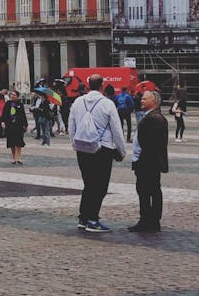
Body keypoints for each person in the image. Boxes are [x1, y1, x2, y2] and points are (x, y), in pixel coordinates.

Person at [68, 74, 127, 233]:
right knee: (100, 185)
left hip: (82, 148)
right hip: (103, 148)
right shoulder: (107, 104)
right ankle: (93, 219)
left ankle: (83, 217)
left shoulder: (77, 102)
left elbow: (71, 125)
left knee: (88, 184)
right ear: (102, 86)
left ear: (88, 86)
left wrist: (74, 144)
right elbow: (117, 129)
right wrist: (121, 151)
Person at [129, 89, 169, 233]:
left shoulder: (155, 118)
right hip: (147, 161)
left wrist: (140, 159)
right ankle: (149, 220)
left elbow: (150, 143)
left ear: (154, 101)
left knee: (148, 191)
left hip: (148, 162)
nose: (141, 100)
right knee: (148, 191)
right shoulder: (152, 116)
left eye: (145, 99)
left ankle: (149, 221)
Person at [3, 90, 28, 164]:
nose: (12, 96)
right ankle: (14, 158)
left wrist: (25, 124)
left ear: (17, 96)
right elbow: (4, 114)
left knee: (19, 142)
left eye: (14, 95)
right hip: (10, 125)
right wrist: (3, 122)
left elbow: (23, 115)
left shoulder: (20, 104)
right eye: (11, 95)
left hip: (18, 125)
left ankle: (19, 158)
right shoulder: (7, 104)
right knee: (12, 143)